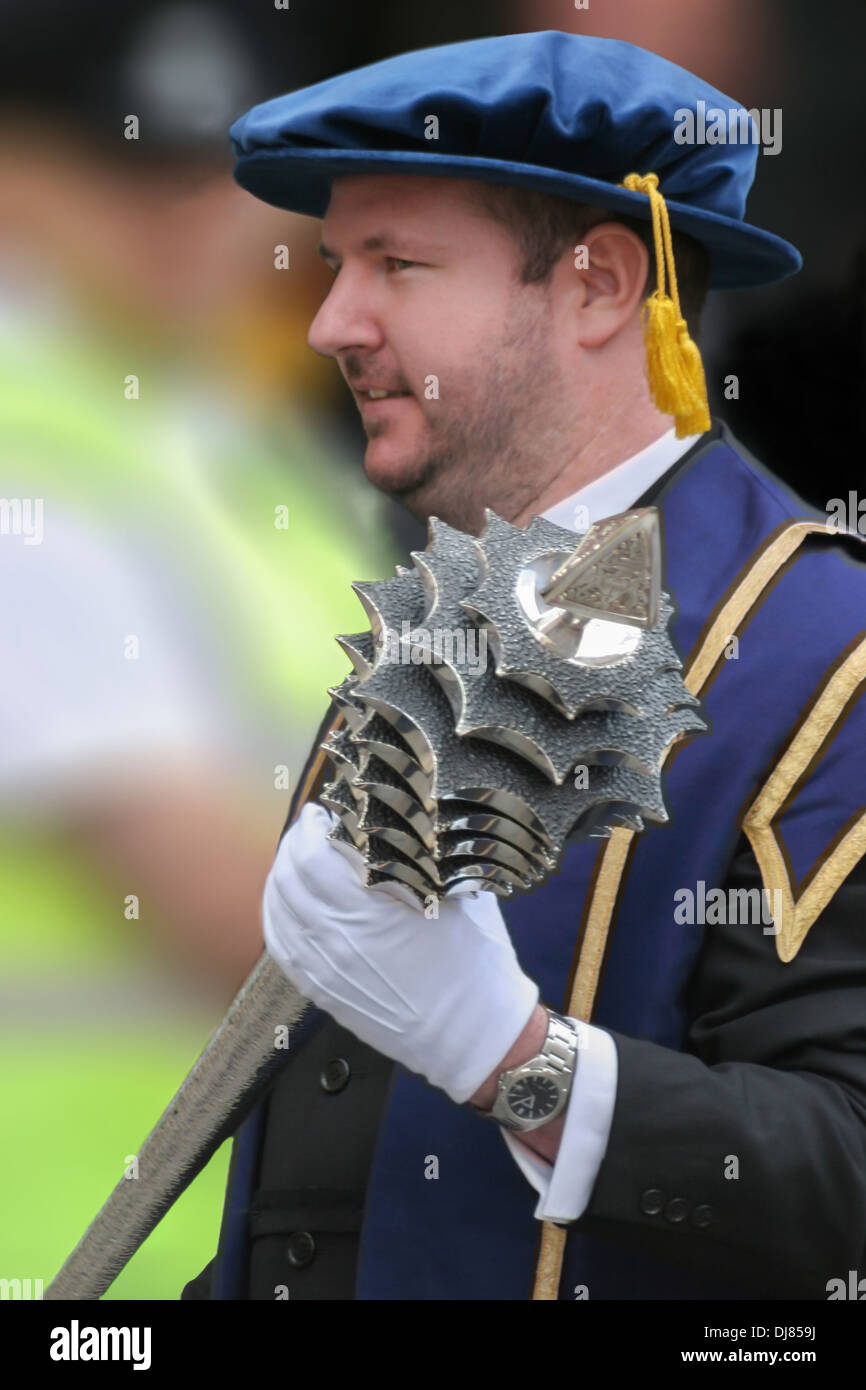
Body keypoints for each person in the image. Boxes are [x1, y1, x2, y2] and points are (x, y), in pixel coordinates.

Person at [183, 30, 866, 1301]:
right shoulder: (434, 624)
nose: (330, 320)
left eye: (397, 263)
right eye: (337, 265)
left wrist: (516, 1060)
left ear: (603, 287)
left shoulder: (830, 653)